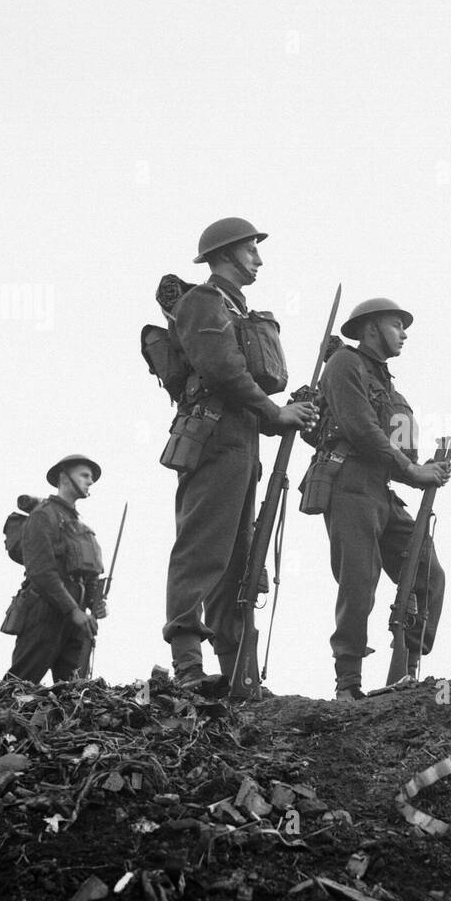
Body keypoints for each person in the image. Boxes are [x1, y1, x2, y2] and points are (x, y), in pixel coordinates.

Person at [162, 218, 319, 691]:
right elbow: (224, 370)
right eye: (252, 250)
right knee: (203, 549)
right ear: (226, 253)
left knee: (238, 561)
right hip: (215, 438)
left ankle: (237, 676)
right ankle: (188, 663)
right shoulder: (204, 303)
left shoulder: (240, 310)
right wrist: (275, 413)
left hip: (242, 441)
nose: (259, 259)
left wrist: (281, 412)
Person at [314, 298, 450, 700]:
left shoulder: (393, 389)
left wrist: (428, 469)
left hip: (382, 491)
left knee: (428, 572)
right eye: (397, 325)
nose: (404, 334)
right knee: (359, 581)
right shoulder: (344, 365)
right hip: (350, 483)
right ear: (372, 327)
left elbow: (403, 455)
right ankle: (348, 683)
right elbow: (360, 430)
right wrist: (412, 471)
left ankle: (406, 662)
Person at [6, 455, 107, 685]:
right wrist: (73, 610)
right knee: (20, 684)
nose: (90, 481)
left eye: (91, 477)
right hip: (45, 613)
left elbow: (90, 574)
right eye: (84, 475)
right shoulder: (43, 515)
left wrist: (95, 603)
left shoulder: (82, 526)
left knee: (74, 693)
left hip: (77, 622)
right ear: (64, 477)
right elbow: (40, 571)